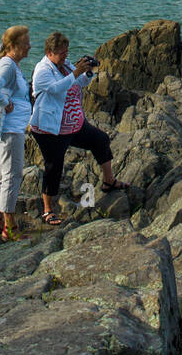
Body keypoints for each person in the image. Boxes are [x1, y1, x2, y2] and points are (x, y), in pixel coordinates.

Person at [30, 31, 128, 224]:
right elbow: (58, 89)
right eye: (61, 53)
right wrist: (76, 72)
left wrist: (87, 72)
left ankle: (109, 181)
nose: (66, 56)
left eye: (67, 52)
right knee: (54, 166)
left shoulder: (65, 65)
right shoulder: (42, 71)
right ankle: (48, 210)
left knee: (100, 140)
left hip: (74, 125)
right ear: (49, 52)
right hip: (52, 129)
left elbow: (80, 82)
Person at [0, 24, 33, 241]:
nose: (30, 47)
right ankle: (10, 227)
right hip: (10, 130)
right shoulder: (7, 66)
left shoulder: (10, 64)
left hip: (5, 129)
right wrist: (6, 103)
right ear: (13, 46)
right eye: (25, 44)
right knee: (12, 176)